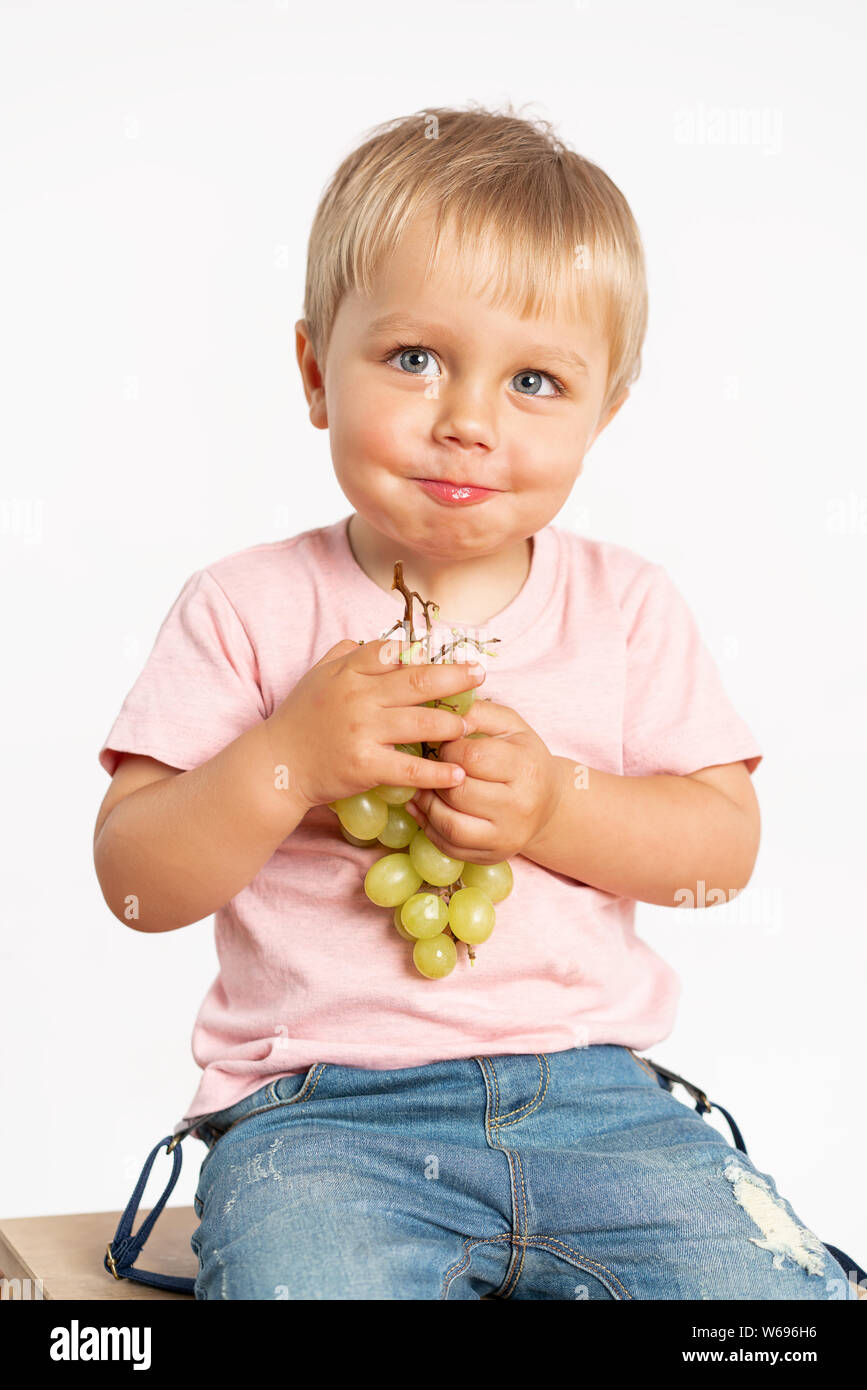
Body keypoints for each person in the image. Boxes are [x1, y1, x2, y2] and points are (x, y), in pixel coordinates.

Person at [94, 103, 854, 1300]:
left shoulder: (629, 606)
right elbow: (137, 881)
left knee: (772, 1303)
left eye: (537, 380)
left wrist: (556, 804)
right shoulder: (242, 607)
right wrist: (285, 758)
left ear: (601, 416)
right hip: (322, 1120)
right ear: (313, 373)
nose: (468, 419)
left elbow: (722, 847)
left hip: (602, 1106)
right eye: (414, 358)